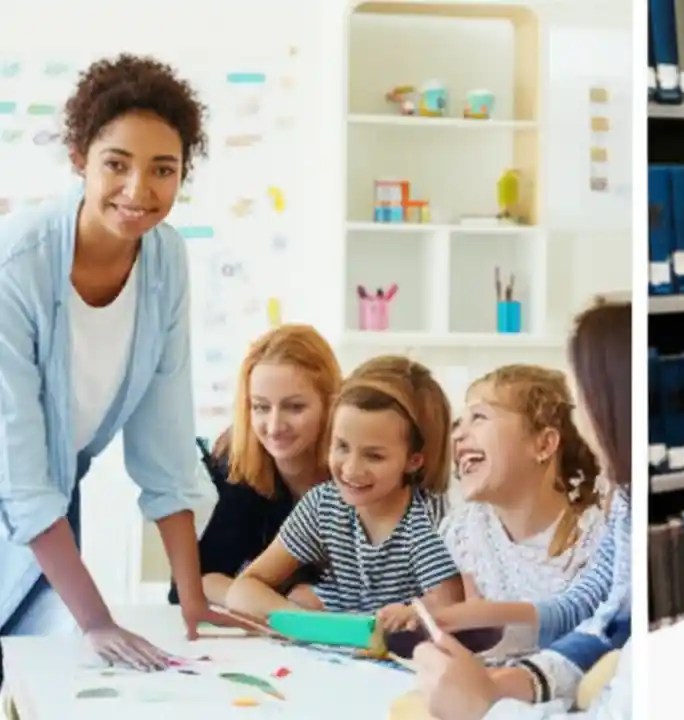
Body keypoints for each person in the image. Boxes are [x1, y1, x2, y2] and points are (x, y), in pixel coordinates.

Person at [0, 54, 242, 677]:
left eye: (163, 169)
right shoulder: (16, 264)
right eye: (116, 164)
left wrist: (193, 603)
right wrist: (98, 620)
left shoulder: (165, 262)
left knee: (35, 676)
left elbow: (164, 446)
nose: (139, 191)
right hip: (26, 491)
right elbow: (18, 473)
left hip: (49, 497)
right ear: (80, 157)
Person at [414, 300, 633, 720]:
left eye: (478, 417)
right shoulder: (625, 502)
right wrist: (514, 683)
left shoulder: (602, 519)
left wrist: (492, 701)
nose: (459, 435)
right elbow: (599, 614)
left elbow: (596, 620)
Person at [225, 355, 464, 625]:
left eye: (373, 456)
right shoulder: (323, 505)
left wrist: (411, 615)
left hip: (402, 646)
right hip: (338, 636)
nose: (350, 470)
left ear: (413, 460)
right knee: (304, 598)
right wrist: (307, 620)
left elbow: (449, 603)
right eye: (341, 447)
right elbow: (242, 590)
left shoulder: (428, 517)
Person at [438, 364, 608, 659]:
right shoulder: (460, 532)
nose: (456, 436)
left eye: (478, 417)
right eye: (458, 423)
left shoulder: (598, 537)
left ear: (543, 444)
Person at [165, 323, 342, 606]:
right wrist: (264, 602)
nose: (274, 427)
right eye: (260, 407)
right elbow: (191, 581)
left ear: (331, 405)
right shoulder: (233, 466)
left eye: (295, 407)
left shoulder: (355, 469)